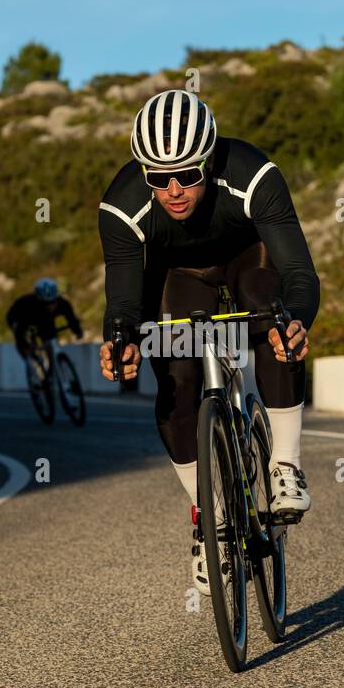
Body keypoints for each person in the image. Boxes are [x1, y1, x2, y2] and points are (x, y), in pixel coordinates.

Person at [98, 88, 319, 594]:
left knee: (272, 313)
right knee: (175, 385)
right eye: (158, 178)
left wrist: (298, 319)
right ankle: (211, 520)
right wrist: (121, 339)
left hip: (248, 257)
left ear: (210, 159)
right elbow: (126, 299)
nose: (173, 189)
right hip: (177, 275)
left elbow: (299, 272)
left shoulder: (253, 174)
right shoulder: (121, 206)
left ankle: (285, 463)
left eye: (188, 175)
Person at [6, 278, 82, 357]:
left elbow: (71, 318)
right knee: (24, 342)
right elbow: (19, 327)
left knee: (50, 338)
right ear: (38, 300)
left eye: (52, 302)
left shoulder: (63, 304)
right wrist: (23, 343)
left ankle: (53, 362)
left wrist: (77, 331)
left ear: (56, 298)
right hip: (19, 318)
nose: (50, 307)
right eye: (45, 303)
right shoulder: (29, 306)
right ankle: (30, 360)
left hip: (44, 319)